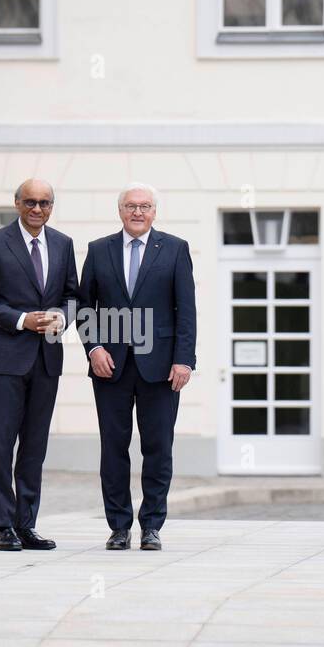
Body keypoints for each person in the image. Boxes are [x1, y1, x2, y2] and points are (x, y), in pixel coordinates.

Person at [78, 182, 196, 551]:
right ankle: (118, 526)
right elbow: (84, 308)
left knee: (158, 446)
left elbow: (186, 310)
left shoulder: (175, 249)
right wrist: (94, 347)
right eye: (131, 206)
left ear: (155, 212)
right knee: (114, 446)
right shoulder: (99, 251)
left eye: (145, 206)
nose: (138, 212)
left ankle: (151, 526)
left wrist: (184, 360)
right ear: (120, 211)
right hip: (109, 366)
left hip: (160, 367)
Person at [0, 178, 80, 551]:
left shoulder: (63, 244)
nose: (37, 209)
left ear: (51, 207)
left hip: (47, 360)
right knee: (2, 444)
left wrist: (61, 318)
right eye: (30, 202)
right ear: (17, 204)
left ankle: (26, 524)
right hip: (6, 361)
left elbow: (72, 296)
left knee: (34, 446)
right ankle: (3, 526)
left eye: (44, 203)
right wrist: (22, 320)